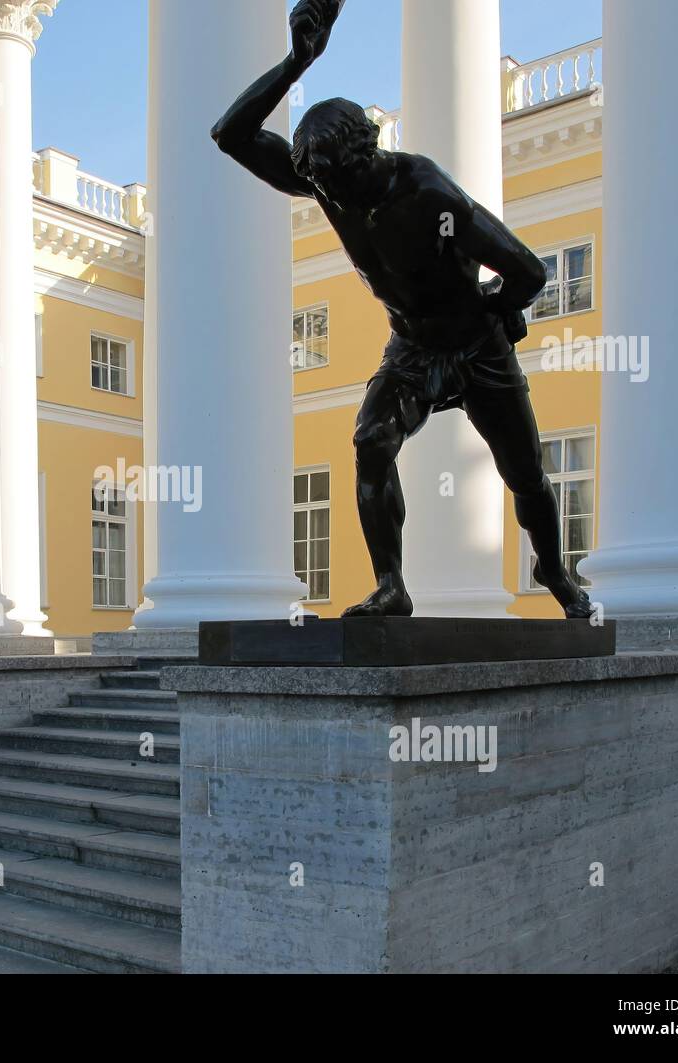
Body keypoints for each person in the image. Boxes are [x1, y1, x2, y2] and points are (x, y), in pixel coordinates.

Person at [211, 0, 593, 618]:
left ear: (366, 153)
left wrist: (501, 309)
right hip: (412, 347)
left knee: (526, 475)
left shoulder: (428, 192)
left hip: (475, 344)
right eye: (322, 188)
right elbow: (230, 135)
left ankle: (556, 575)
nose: (331, 199)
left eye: (339, 184)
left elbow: (527, 268)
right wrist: (297, 61)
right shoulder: (328, 179)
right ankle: (392, 586)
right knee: (371, 444)